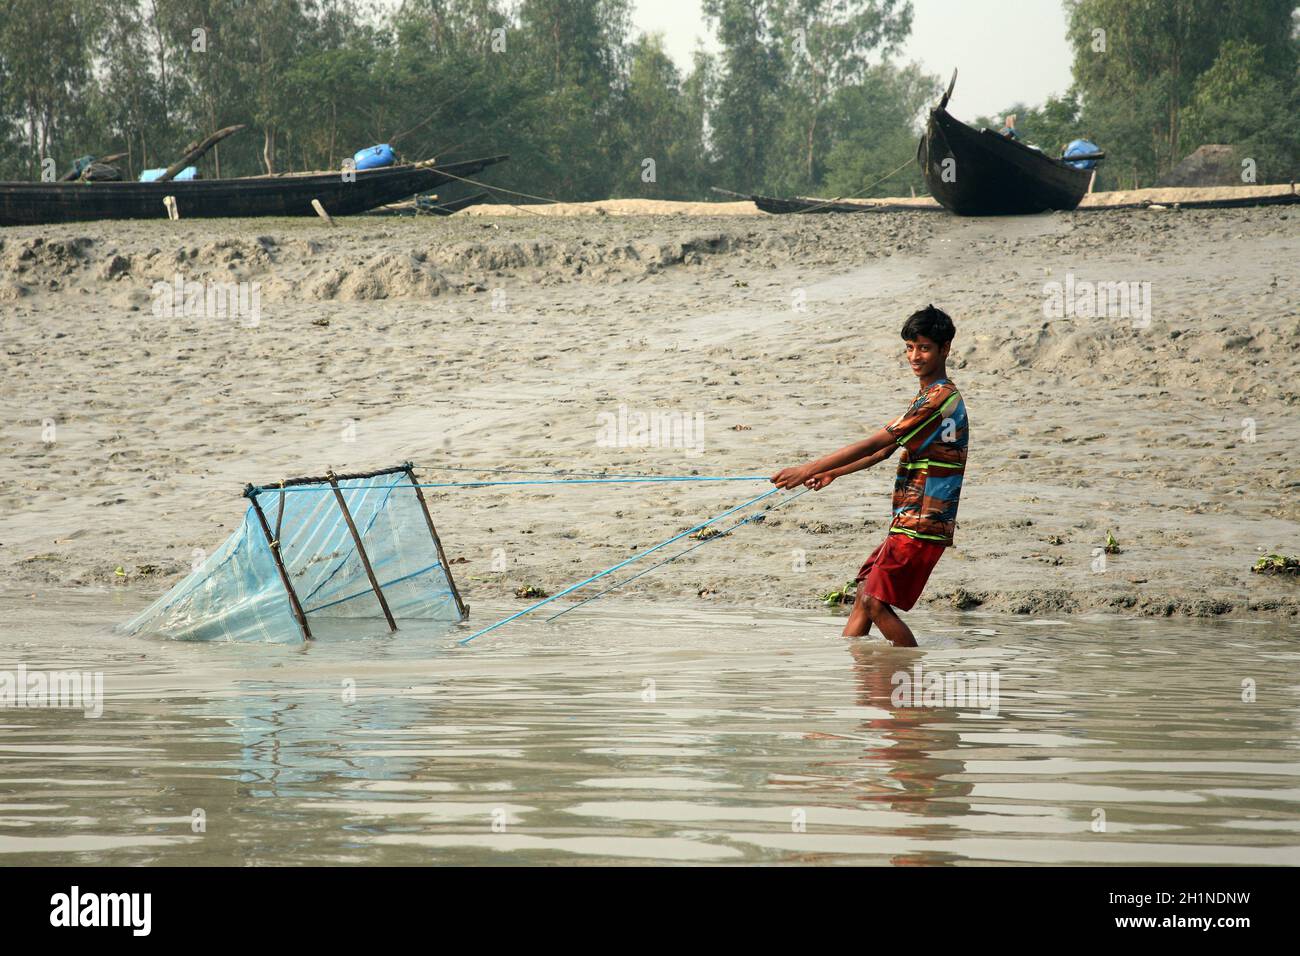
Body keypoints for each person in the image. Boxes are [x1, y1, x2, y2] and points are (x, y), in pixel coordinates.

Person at [772, 305, 968, 647]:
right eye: (909, 347)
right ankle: (856, 672)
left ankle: (910, 685)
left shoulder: (939, 399)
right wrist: (832, 472)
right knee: (866, 589)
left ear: (944, 349)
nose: (915, 356)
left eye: (923, 347)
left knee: (875, 602)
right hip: (910, 517)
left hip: (924, 520)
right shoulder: (927, 396)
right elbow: (884, 453)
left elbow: (877, 441)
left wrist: (807, 467)